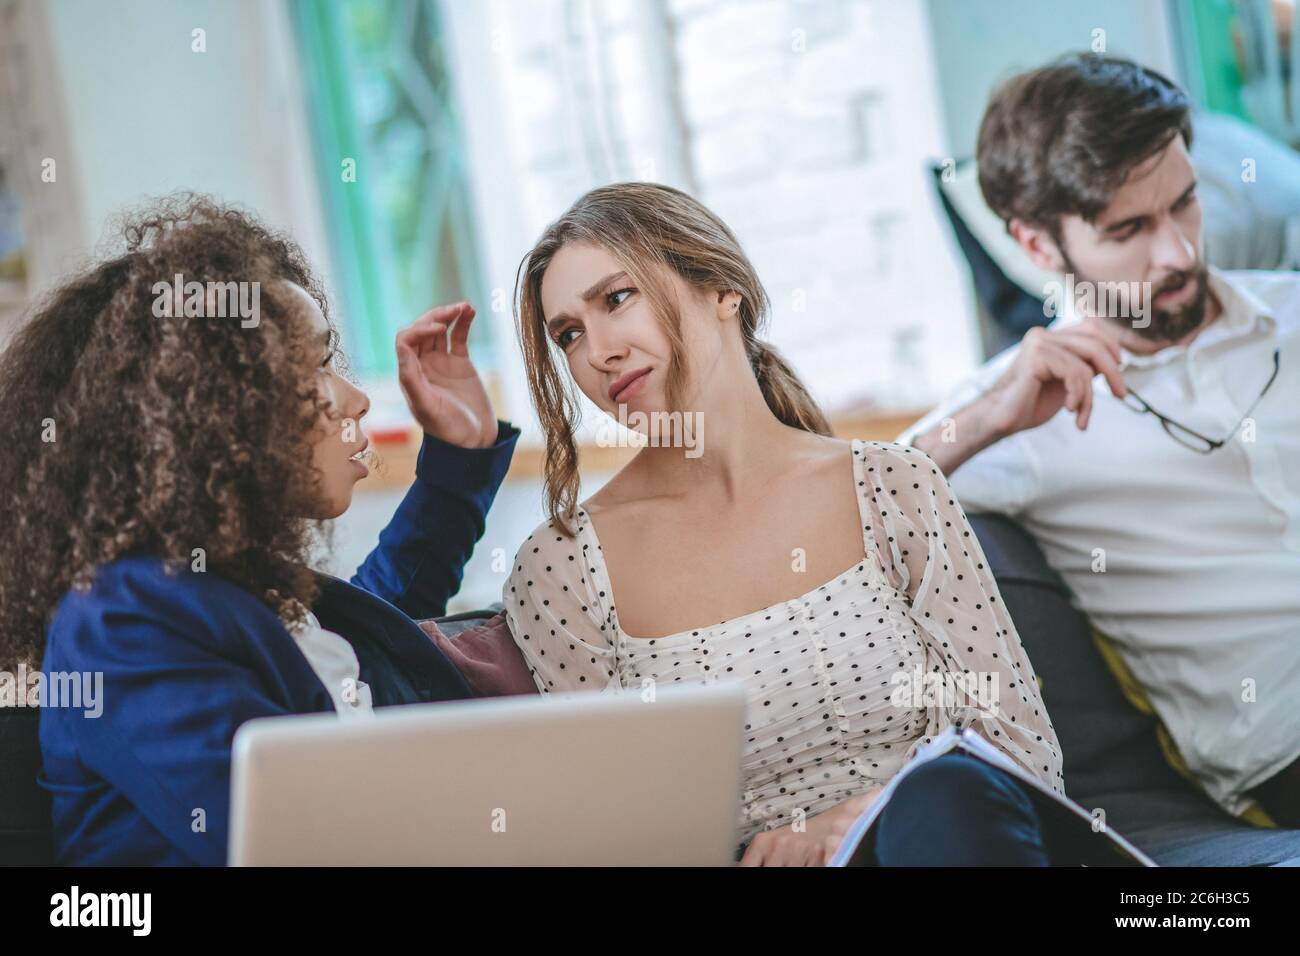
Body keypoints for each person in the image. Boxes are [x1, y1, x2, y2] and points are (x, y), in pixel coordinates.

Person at [503, 181, 1067, 866]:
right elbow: (616, 841)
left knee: (945, 798)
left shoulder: (895, 485)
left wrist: (865, 817)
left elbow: (1024, 752)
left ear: (721, 290)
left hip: (946, 841)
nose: (598, 352)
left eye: (617, 299)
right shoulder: (560, 568)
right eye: (568, 334)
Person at [0, 195, 519, 865]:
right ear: (211, 408)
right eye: (315, 367)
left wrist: (460, 455)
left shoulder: (231, 590)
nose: (354, 399)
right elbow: (294, 843)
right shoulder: (123, 614)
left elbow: (373, 623)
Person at [901, 54, 1300, 857]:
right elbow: (832, 519)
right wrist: (987, 422)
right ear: (1035, 244)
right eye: (1129, 231)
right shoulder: (1014, 416)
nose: (1178, 254)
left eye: (1184, 204)